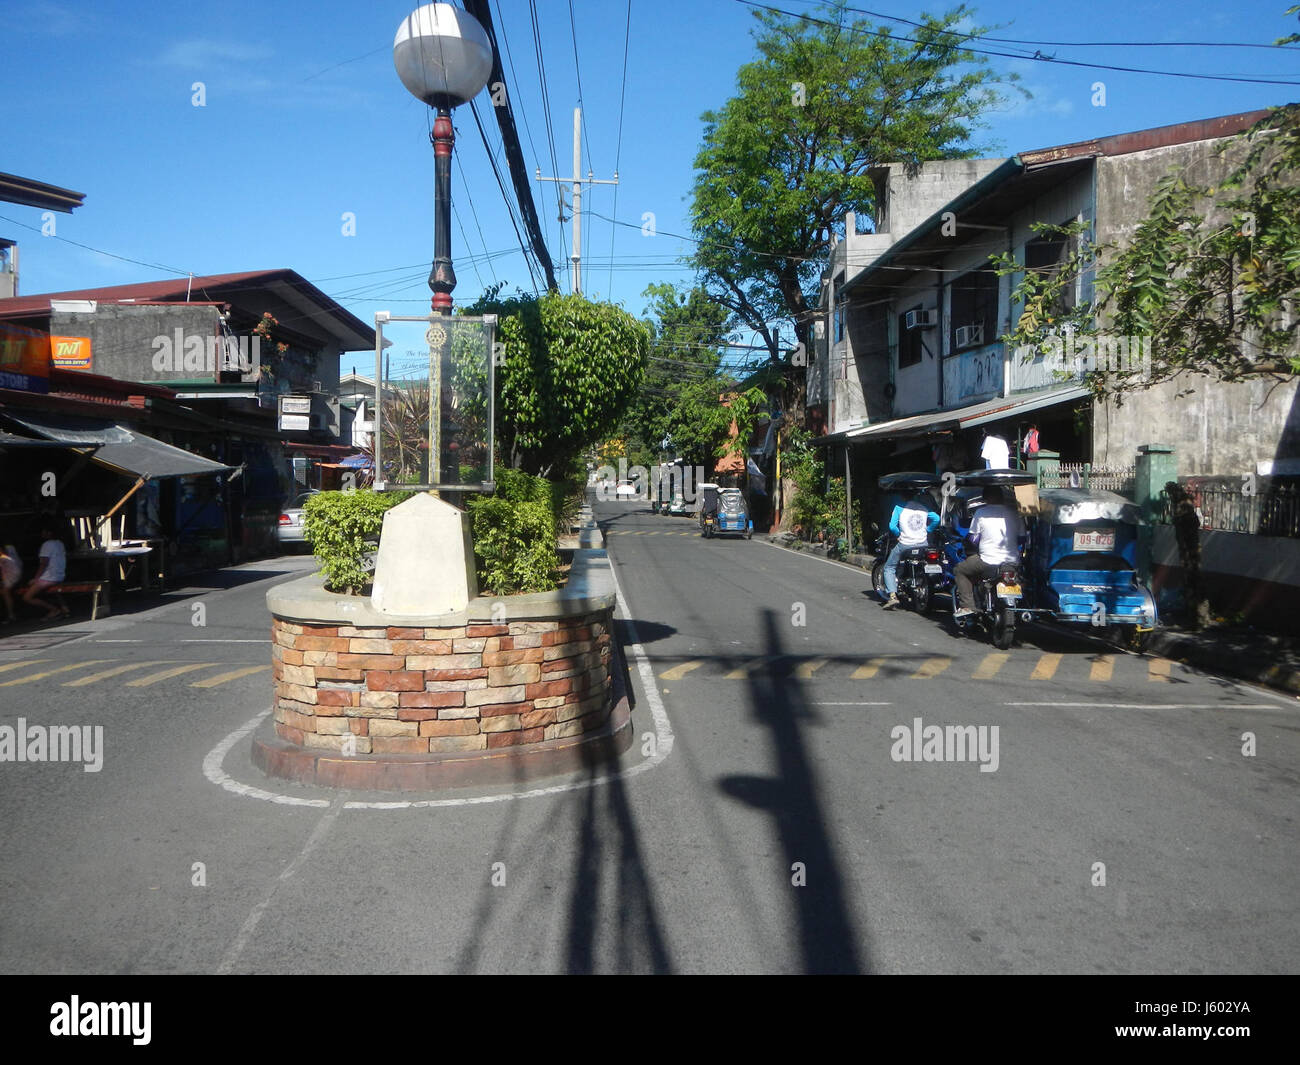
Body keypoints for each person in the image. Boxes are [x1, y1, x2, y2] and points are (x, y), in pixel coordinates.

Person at [953, 485, 1024, 617]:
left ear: (985, 498)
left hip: (987, 561)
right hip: (1012, 562)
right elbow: (1021, 538)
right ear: (1002, 497)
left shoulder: (981, 513)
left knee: (960, 570)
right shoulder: (1015, 513)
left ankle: (967, 607)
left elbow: (973, 539)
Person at [881, 491, 941, 610]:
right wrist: (928, 529)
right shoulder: (924, 508)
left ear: (902, 496)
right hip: (923, 544)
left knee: (889, 567)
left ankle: (893, 596)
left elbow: (892, 526)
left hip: (905, 545)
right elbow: (937, 519)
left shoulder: (899, 508)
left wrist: (898, 535)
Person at [21, 522, 68, 621]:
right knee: (54, 591)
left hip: (50, 577)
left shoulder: (46, 545)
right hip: (60, 575)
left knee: (27, 597)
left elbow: (43, 564)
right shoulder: (60, 543)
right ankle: (64, 608)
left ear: (49, 533)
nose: (42, 534)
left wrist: (36, 579)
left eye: (44, 532)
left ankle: (54, 610)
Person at [0, 538, 21, 624]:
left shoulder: (5, 555)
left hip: (11, 574)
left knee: (5, 592)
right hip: (11, 573)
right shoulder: (10, 548)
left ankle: (11, 615)